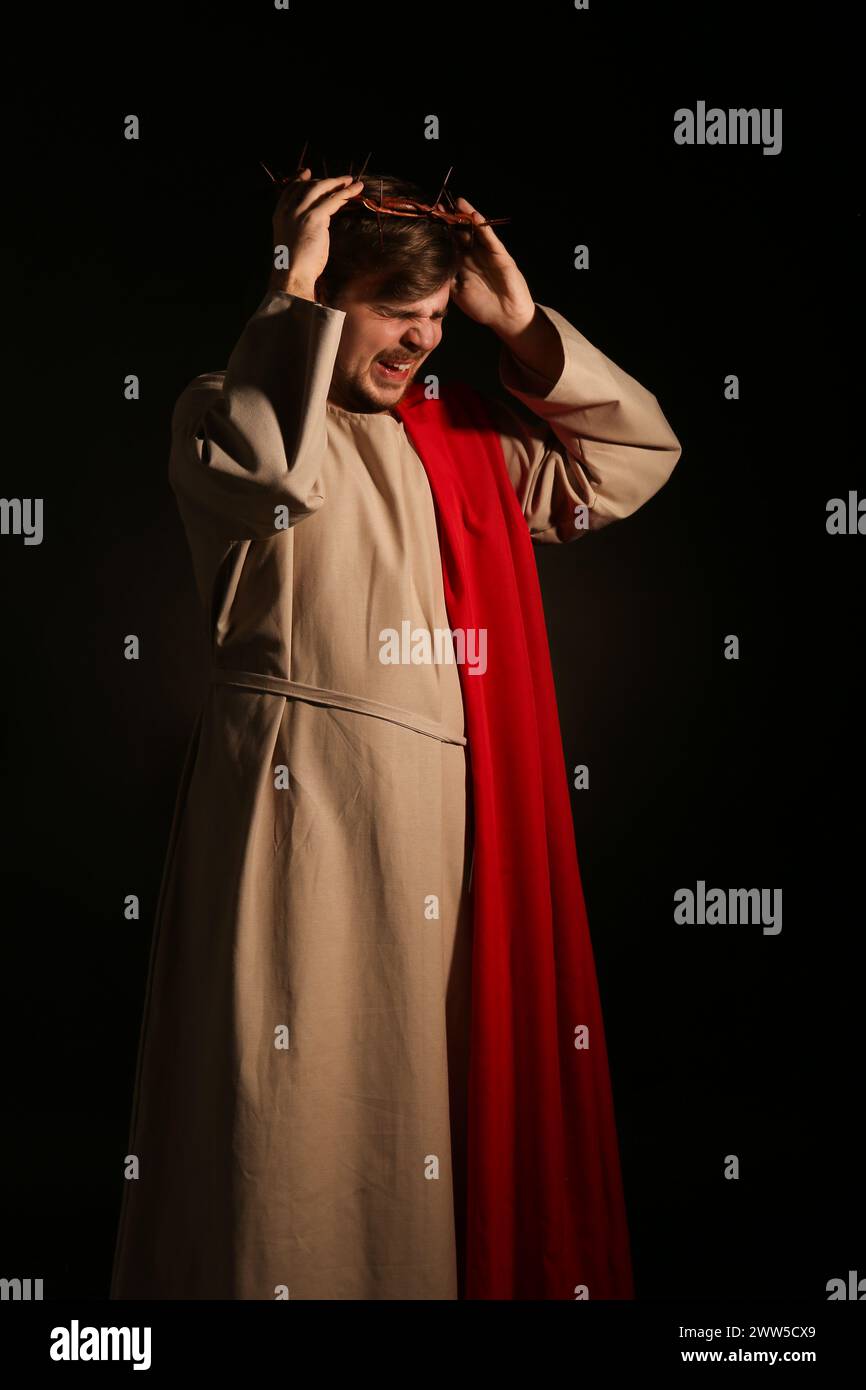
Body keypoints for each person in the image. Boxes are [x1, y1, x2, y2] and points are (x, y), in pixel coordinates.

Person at [110, 168, 682, 1301]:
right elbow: (275, 473)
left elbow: (629, 463)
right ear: (326, 300)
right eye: (392, 309)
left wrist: (517, 325)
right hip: (298, 801)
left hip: (438, 821)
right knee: (287, 1101)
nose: (420, 339)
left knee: (408, 1105)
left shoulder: (463, 445)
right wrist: (296, 277)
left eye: (434, 317)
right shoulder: (229, 410)